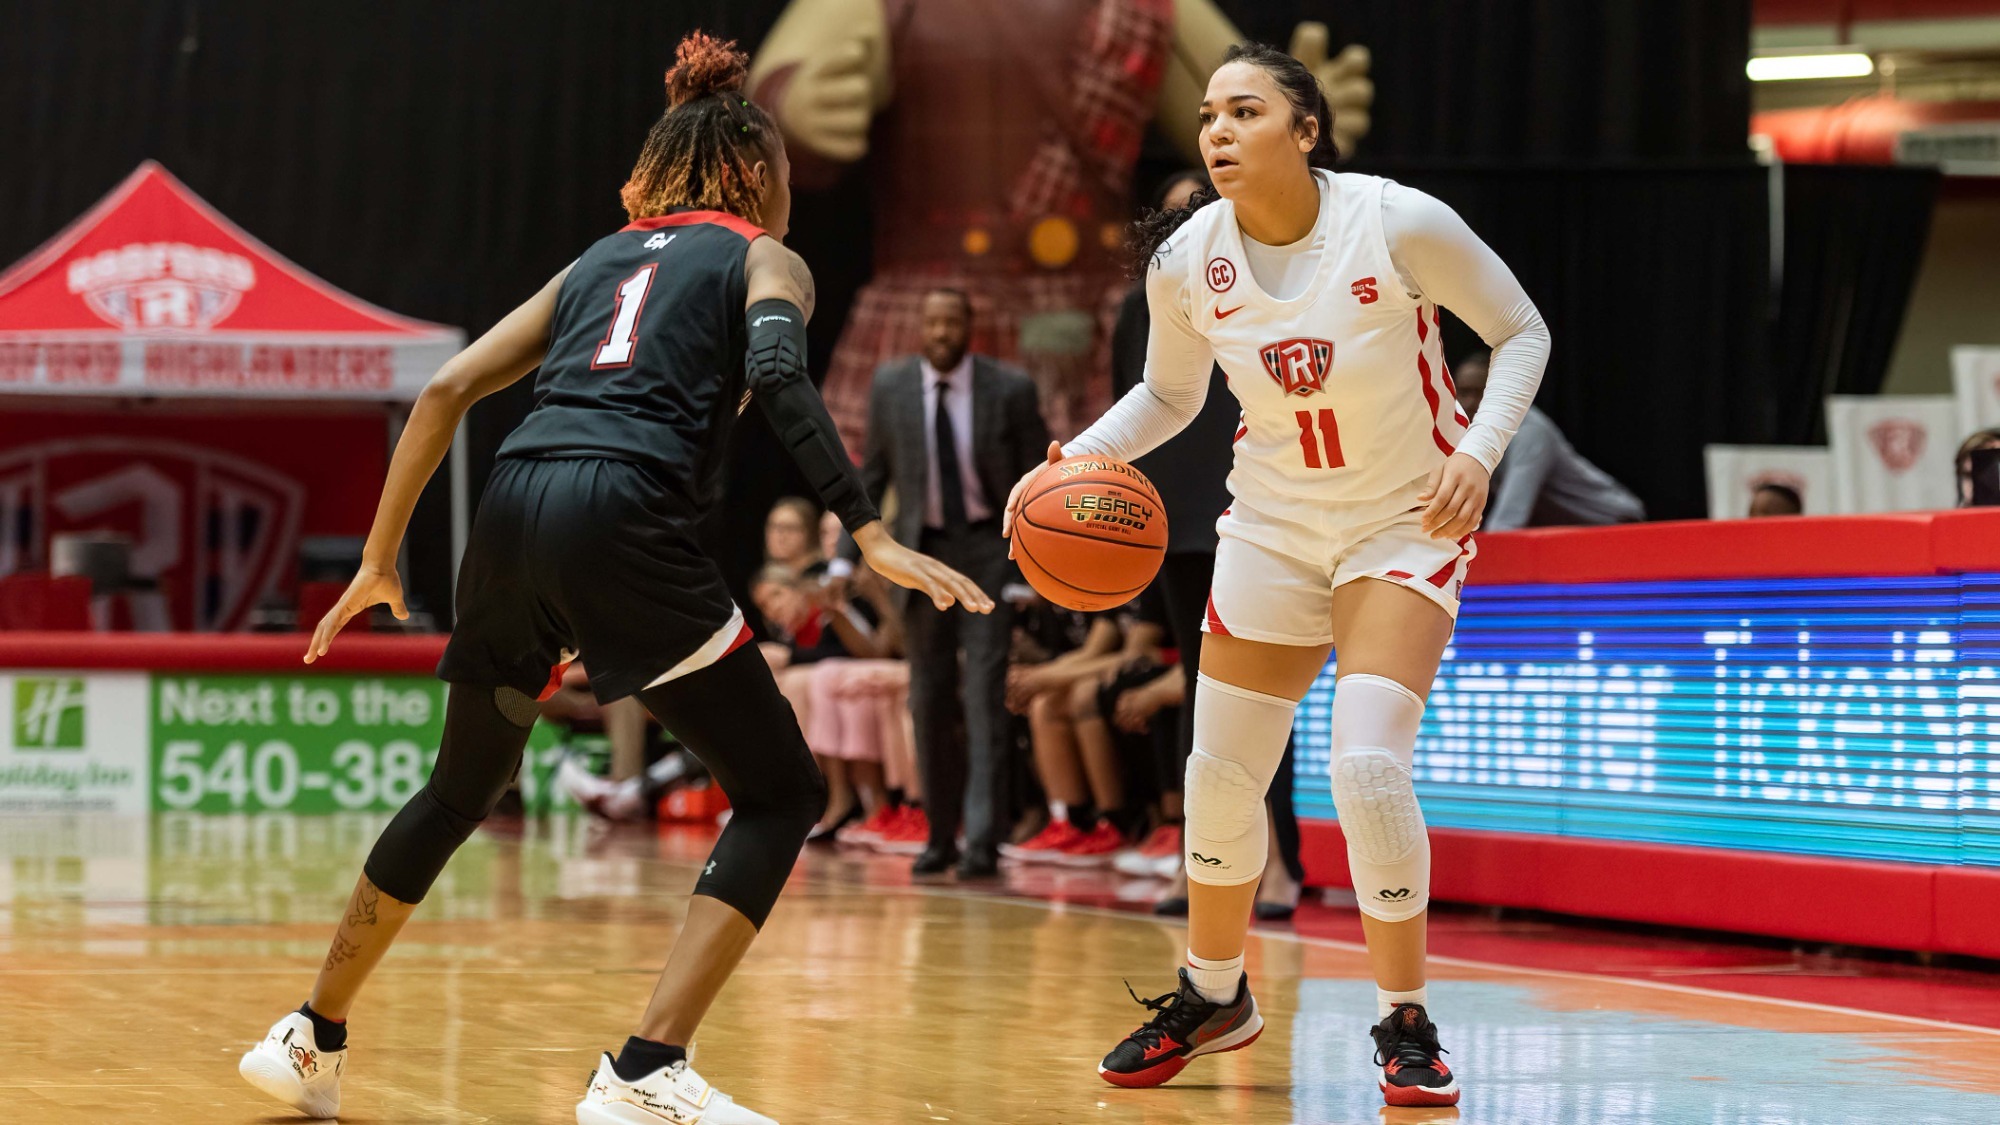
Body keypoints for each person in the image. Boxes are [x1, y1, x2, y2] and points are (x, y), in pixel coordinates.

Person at [234, 34, 990, 1125]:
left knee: (458, 792)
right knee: (780, 793)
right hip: (619, 512)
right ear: (753, 172)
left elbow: (445, 389)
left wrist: (377, 558)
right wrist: (864, 530)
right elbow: (776, 371)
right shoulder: (764, 259)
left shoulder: (597, 259)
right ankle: (643, 1072)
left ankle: (312, 1034)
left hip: (512, 503)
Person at [1005, 44, 1549, 1106]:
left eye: (1242, 111)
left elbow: (1519, 331)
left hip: (1401, 519)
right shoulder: (1184, 260)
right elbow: (1167, 399)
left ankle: (1403, 1019)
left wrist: (1477, 457)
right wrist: (1082, 456)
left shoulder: (1396, 223)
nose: (1214, 130)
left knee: (1365, 771)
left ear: (1303, 131)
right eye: (1206, 114)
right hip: (1269, 525)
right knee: (1215, 778)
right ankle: (1213, 994)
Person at [861, 288, 1050, 879]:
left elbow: (1039, 479)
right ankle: (938, 835)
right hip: (923, 554)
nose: (941, 331)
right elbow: (872, 473)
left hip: (989, 550)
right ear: (921, 327)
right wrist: (847, 556)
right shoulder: (890, 386)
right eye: (933, 321)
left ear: (970, 327)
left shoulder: (1010, 389)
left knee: (984, 696)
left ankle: (982, 843)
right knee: (928, 698)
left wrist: (1031, 568)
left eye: (952, 320)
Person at [1455, 351, 1641, 531]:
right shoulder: (1466, 430)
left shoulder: (1530, 431)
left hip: (1612, 521)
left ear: (1502, 393)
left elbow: (1508, 520)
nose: (1471, 402)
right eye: (1463, 393)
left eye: (1482, 393)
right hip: (1565, 531)